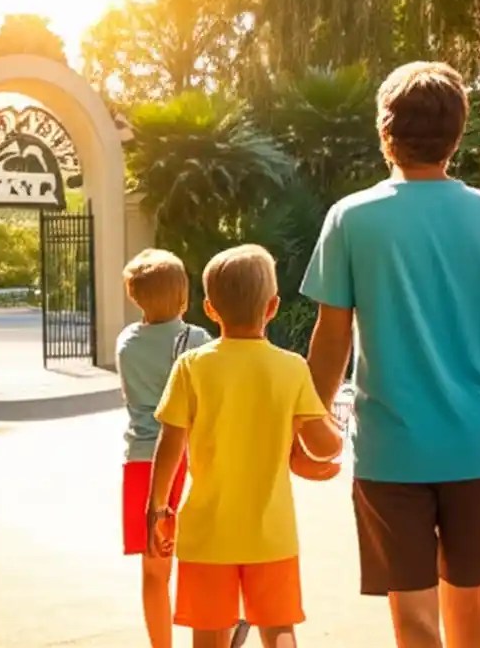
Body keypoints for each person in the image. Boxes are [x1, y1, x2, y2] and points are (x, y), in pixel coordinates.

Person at [302, 61, 480, 648]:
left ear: (385, 132)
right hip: (476, 445)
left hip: (391, 454)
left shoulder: (351, 218)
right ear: (459, 135)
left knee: (414, 624)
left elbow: (331, 337)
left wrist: (307, 423)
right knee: (468, 620)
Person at [147, 245, 343, 648]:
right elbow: (322, 445)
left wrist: (157, 507)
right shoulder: (291, 368)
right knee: (278, 628)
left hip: (207, 534)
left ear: (210, 308)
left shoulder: (192, 366)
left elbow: (170, 443)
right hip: (271, 533)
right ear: (272, 306)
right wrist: (337, 434)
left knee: (209, 633)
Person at [117, 249, 212, 648]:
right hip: (190, 460)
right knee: (202, 563)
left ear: (135, 296)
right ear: (184, 297)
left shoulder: (126, 343)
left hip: (142, 463)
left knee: (154, 572)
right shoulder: (198, 341)